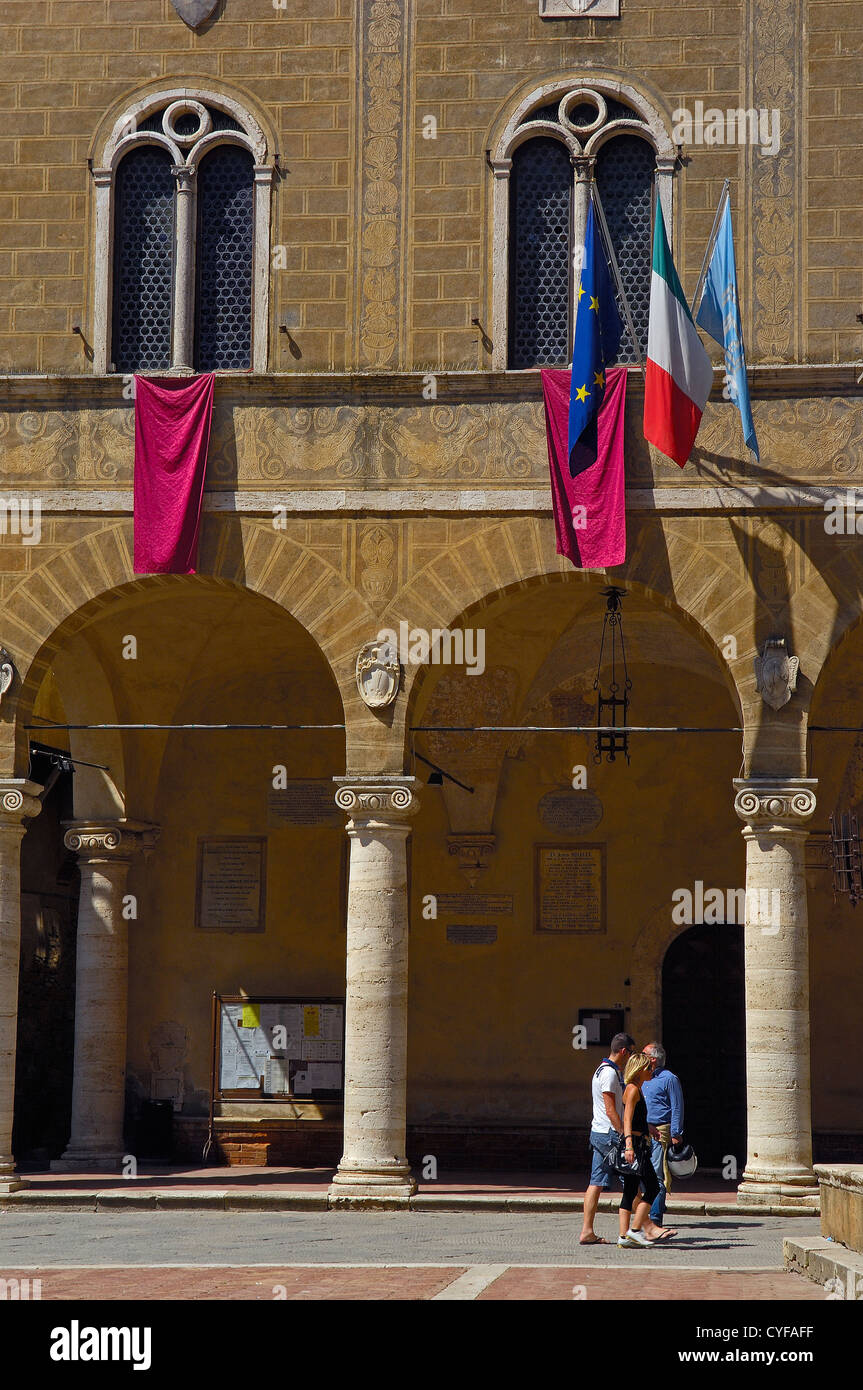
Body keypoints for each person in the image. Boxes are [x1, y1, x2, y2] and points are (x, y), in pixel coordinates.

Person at [579, 1031, 634, 1245]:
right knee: (632, 1178)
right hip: (609, 1134)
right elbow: (611, 1110)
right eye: (630, 1053)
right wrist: (624, 1134)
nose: (631, 1057)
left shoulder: (601, 1070)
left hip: (599, 1132)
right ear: (623, 1051)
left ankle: (587, 1231)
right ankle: (644, 1227)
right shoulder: (610, 1074)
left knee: (596, 1183)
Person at [617, 1051, 674, 1246]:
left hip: (640, 1142)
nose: (652, 1070)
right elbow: (627, 1119)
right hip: (635, 1145)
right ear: (640, 1070)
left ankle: (623, 1236)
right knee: (653, 1187)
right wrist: (629, 1145)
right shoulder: (633, 1089)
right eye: (648, 1068)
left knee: (630, 1190)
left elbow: (637, 1119)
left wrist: (648, 1129)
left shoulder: (637, 1088)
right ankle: (634, 1230)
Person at [641, 1041, 684, 1232]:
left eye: (644, 1054)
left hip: (661, 1130)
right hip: (643, 1130)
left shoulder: (669, 1078)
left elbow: (677, 1107)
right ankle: (656, 1206)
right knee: (643, 1172)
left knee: (658, 1173)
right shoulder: (641, 1077)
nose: (640, 1057)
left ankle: (656, 1217)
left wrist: (676, 1133)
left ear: (653, 1059)